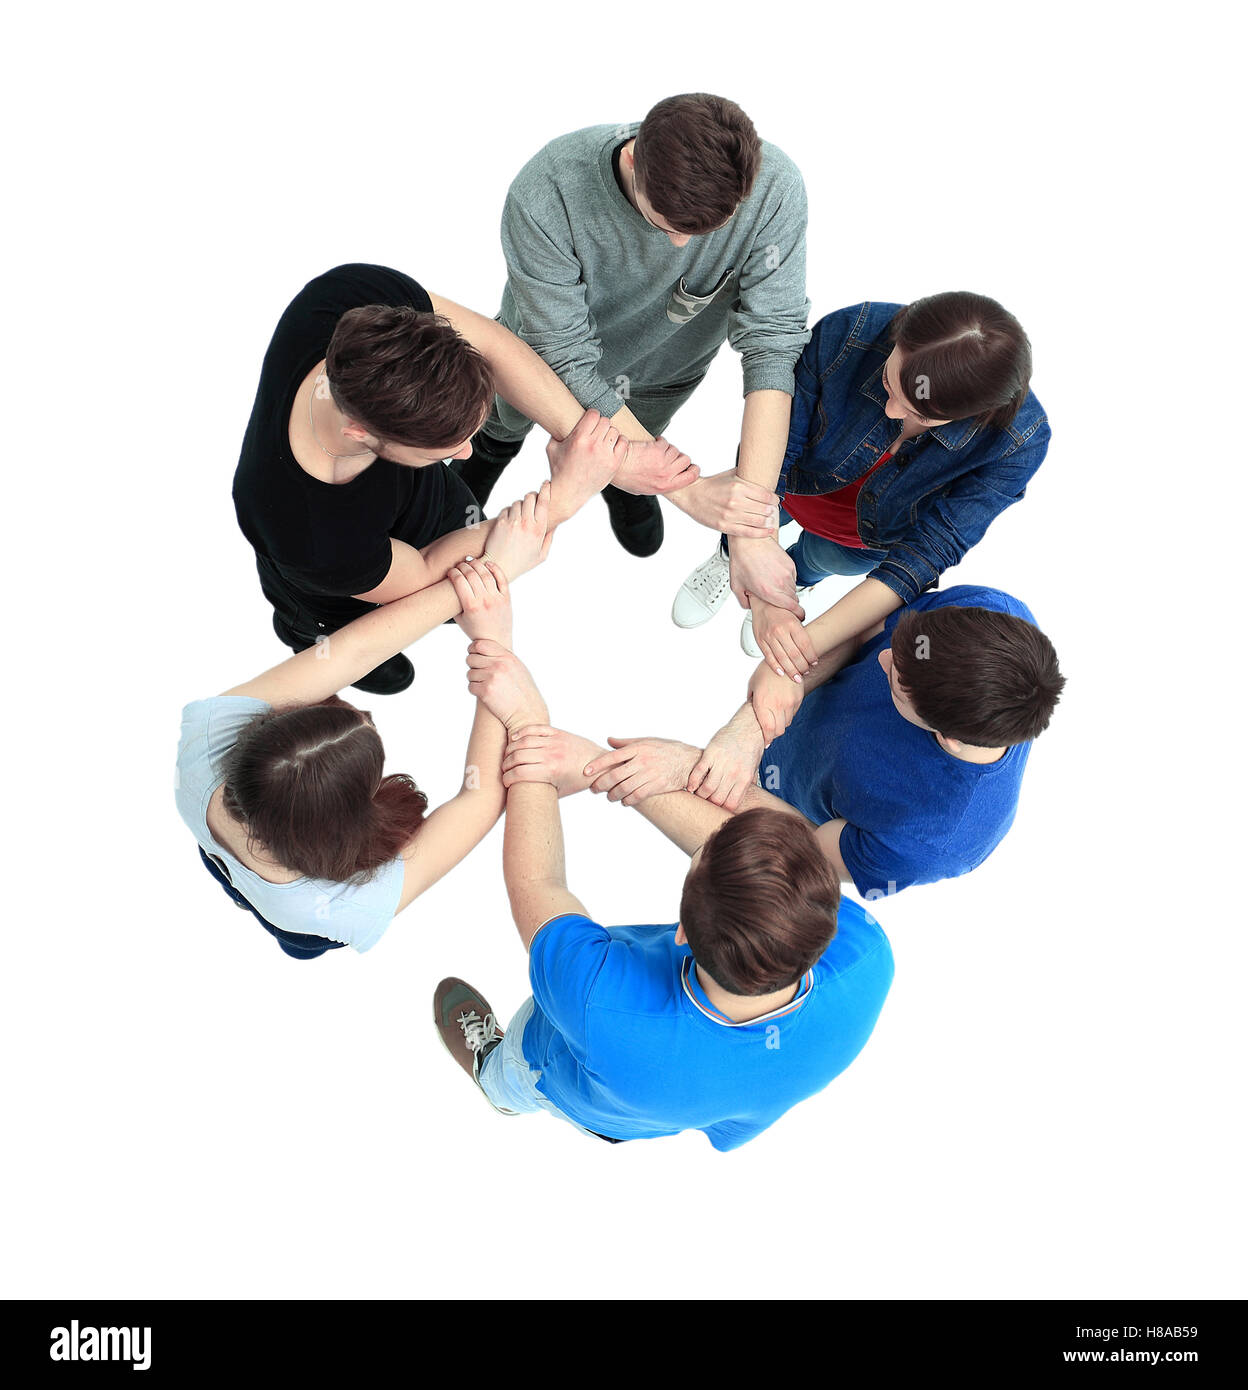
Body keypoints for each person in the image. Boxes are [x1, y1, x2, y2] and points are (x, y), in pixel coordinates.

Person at [431, 641, 894, 1150]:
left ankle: (494, 1076)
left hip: (563, 1082)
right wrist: (601, 766)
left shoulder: (597, 1000)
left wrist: (527, 724)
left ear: (681, 934)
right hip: (662, 1113)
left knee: (519, 1068)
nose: (701, 839)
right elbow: (777, 867)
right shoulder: (866, 957)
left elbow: (538, 885)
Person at [233, 262, 695, 695]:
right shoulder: (308, 533)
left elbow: (492, 344)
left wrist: (604, 450)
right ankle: (307, 635)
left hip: (418, 515)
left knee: (461, 556)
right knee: (377, 658)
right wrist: (563, 499)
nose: (466, 453)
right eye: (445, 448)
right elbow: (427, 573)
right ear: (361, 433)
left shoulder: (348, 296)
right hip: (336, 595)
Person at [176, 490, 549, 959]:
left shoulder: (205, 738)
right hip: (300, 923)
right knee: (297, 943)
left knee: (230, 871)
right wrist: (495, 641)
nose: (367, 712)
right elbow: (481, 797)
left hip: (221, 849)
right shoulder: (346, 909)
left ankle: (237, 880)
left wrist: (491, 573)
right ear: (346, 823)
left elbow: (351, 653)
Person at [454, 92, 810, 580]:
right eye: (667, 225)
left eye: (709, 230)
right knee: (500, 422)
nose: (683, 245)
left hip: (662, 372)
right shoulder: (548, 190)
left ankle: (623, 483)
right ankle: (492, 453)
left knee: (640, 434)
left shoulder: (775, 188)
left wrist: (750, 526)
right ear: (632, 159)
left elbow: (773, 341)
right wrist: (684, 490)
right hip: (540, 359)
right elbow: (562, 353)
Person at [578, 586, 1065, 899]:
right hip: (791, 732)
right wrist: (752, 725)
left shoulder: (933, 838)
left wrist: (694, 774)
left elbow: (807, 849)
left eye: (897, 682)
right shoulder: (989, 617)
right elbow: (863, 631)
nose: (882, 661)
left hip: (779, 797)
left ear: (950, 739)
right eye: (901, 650)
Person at [672, 292, 1051, 680]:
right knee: (746, 524)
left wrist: (797, 644)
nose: (891, 411)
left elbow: (929, 550)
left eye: (918, 413)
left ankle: (793, 585)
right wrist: (749, 546)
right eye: (888, 382)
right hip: (791, 484)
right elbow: (778, 439)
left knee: (815, 561)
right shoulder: (852, 331)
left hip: (867, 536)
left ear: (976, 414)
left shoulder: (1018, 444)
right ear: (899, 334)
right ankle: (728, 558)